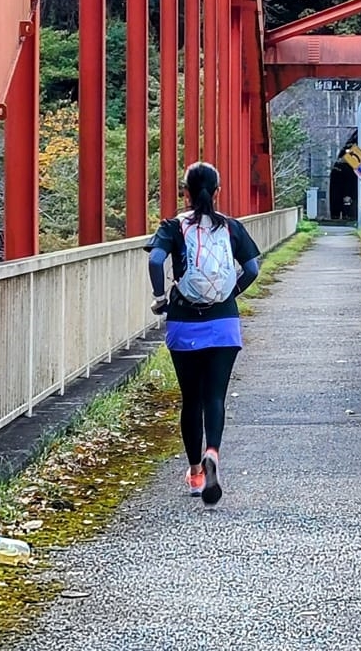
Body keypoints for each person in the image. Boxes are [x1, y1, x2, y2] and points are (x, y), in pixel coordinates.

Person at [148, 162, 261, 505]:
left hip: (184, 321)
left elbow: (155, 261)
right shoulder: (231, 227)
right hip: (223, 324)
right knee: (215, 397)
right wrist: (229, 297)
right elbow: (253, 269)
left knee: (191, 400)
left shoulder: (173, 227)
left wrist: (160, 298)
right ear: (218, 192)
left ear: (185, 192)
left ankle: (196, 472)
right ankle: (213, 450)